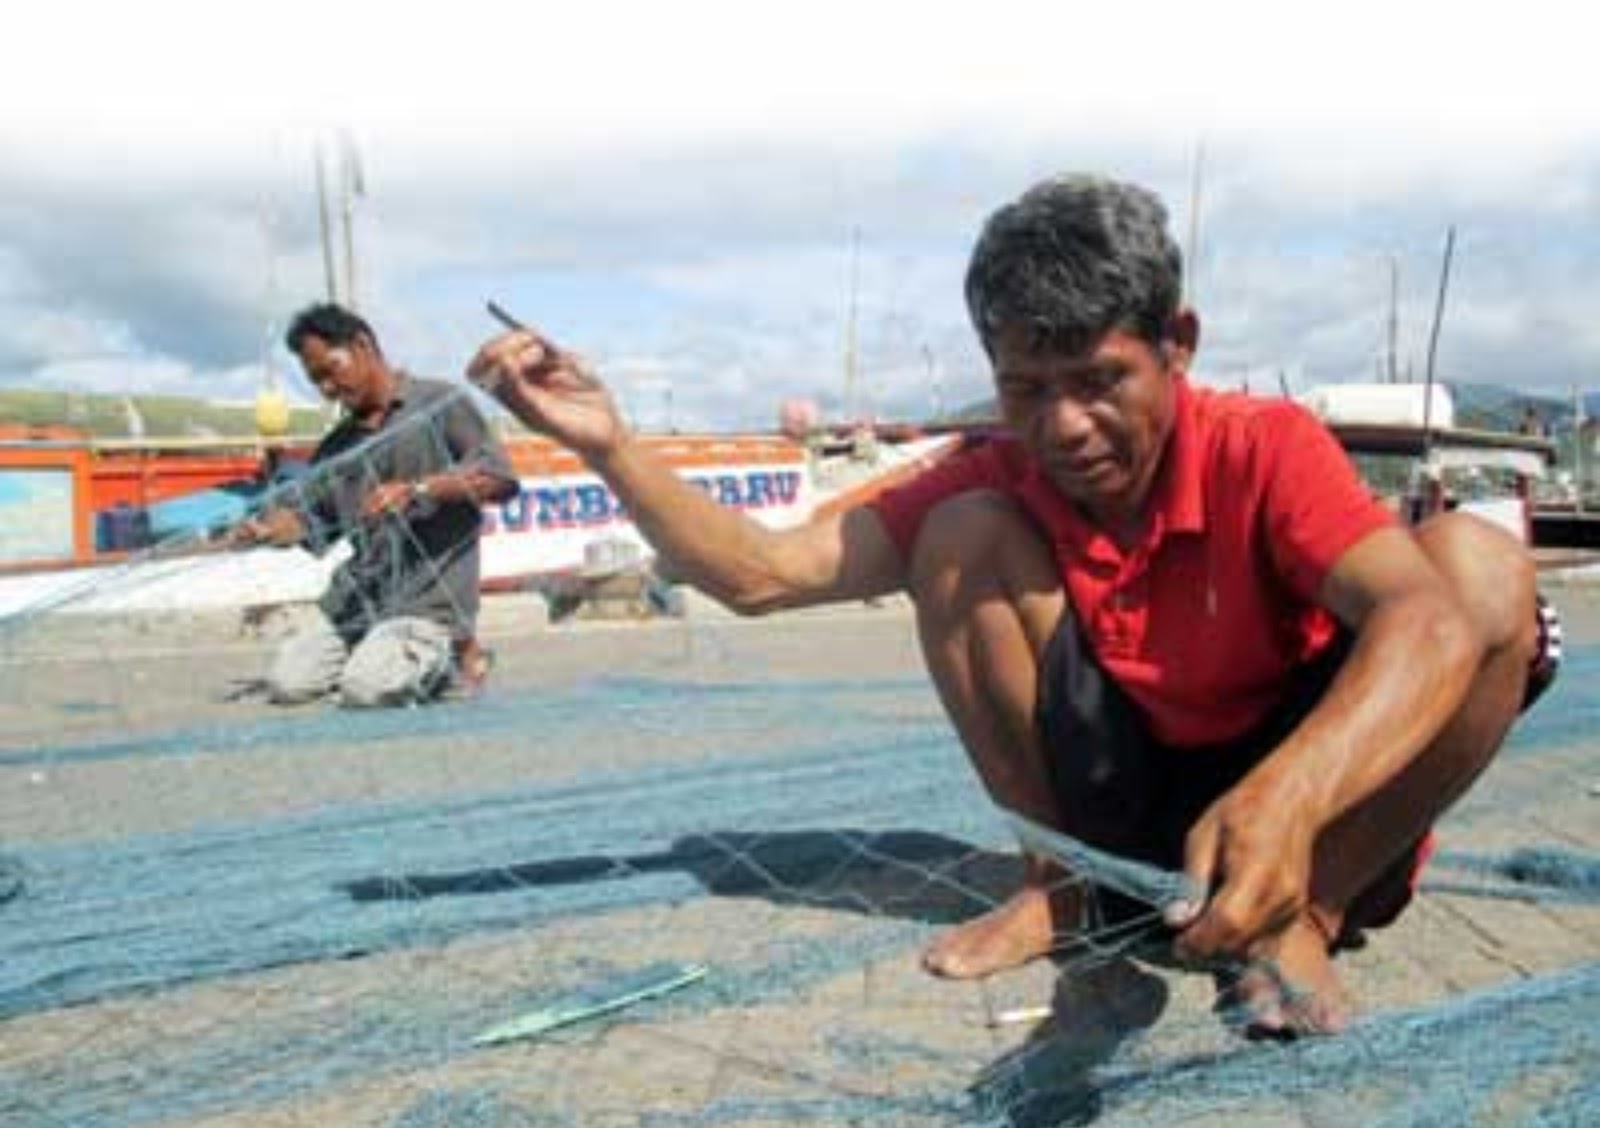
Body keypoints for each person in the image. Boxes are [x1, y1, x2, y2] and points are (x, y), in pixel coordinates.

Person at [467, 175, 1559, 1035]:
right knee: (959, 535)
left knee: (1479, 570)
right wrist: (610, 445)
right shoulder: (998, 470)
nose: (1065, 427)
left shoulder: (1263, 446)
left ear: (1176, 344)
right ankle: (1066, 888)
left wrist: (1291, 794)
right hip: (1133, 799)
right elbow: (760, 572)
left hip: (1315, 817)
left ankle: (1303, 916)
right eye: (1026, 389)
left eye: (1100, 380)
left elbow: (1425, 620)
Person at [237, 303, 519, 707]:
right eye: (316, 381)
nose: (327, 389)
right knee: (287, 684)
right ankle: (386, 659)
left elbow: (500, 479)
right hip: (356, 604)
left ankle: (458, 656)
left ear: (363, 346)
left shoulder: (440, 402)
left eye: (330, 370)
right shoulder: (337, 446)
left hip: (427, 604)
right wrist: (270, 529)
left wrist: (419, 489)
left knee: (365, 688)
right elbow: (314, 521)